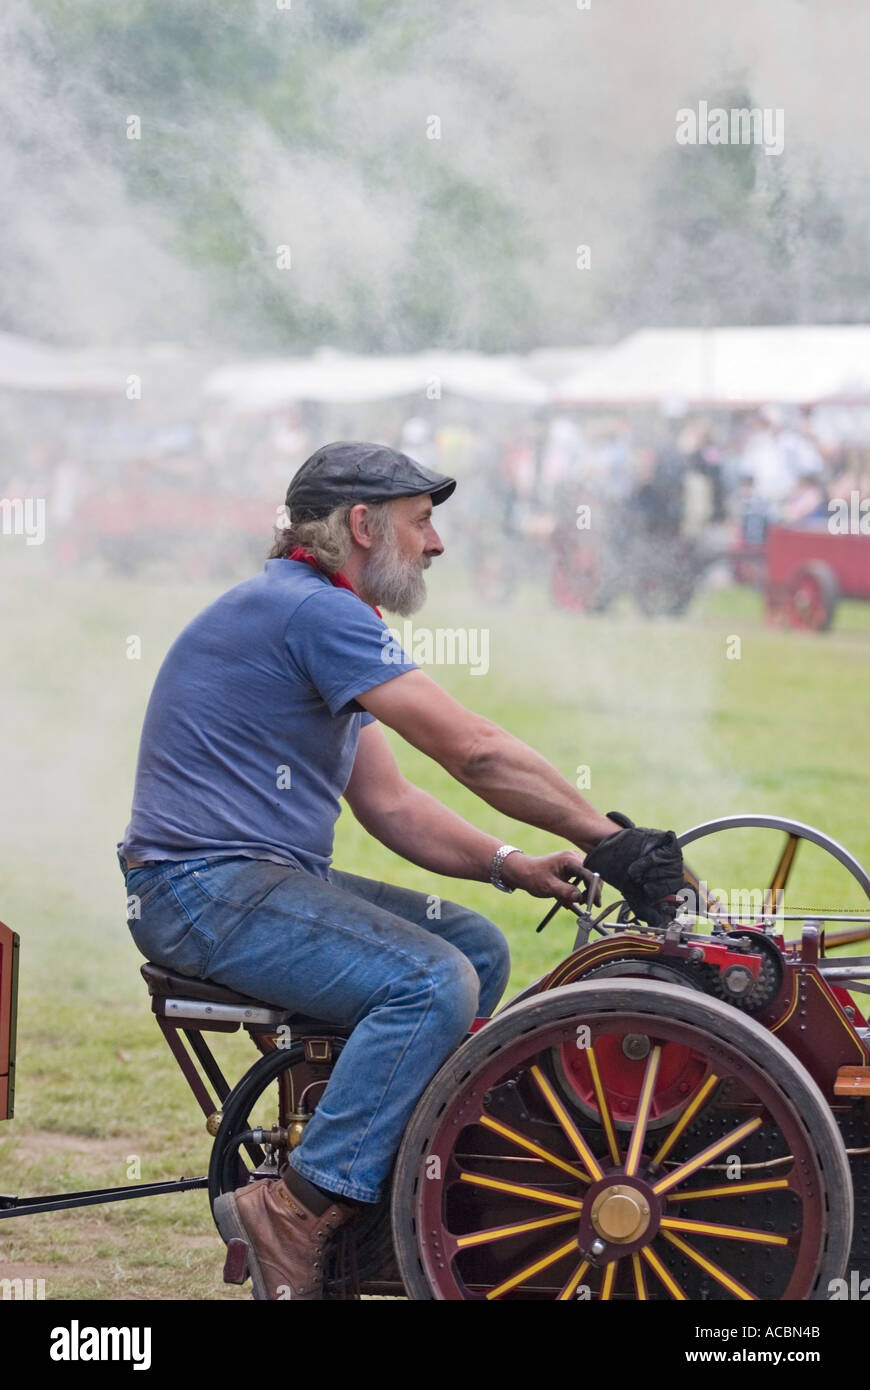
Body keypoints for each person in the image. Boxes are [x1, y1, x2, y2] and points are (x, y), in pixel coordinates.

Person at [117, 440, 684, 1300]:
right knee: (428, 983)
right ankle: (298, 1205)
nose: (436, 544)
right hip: (202, 890)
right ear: (360, 524)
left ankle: (387, 1182)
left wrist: (510, 863)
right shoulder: (316, 614)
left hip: (233, 883)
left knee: (476, 948)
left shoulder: (320, 612)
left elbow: (391, 805)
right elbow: (475, 750)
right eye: (422, 523)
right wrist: (609, 836)